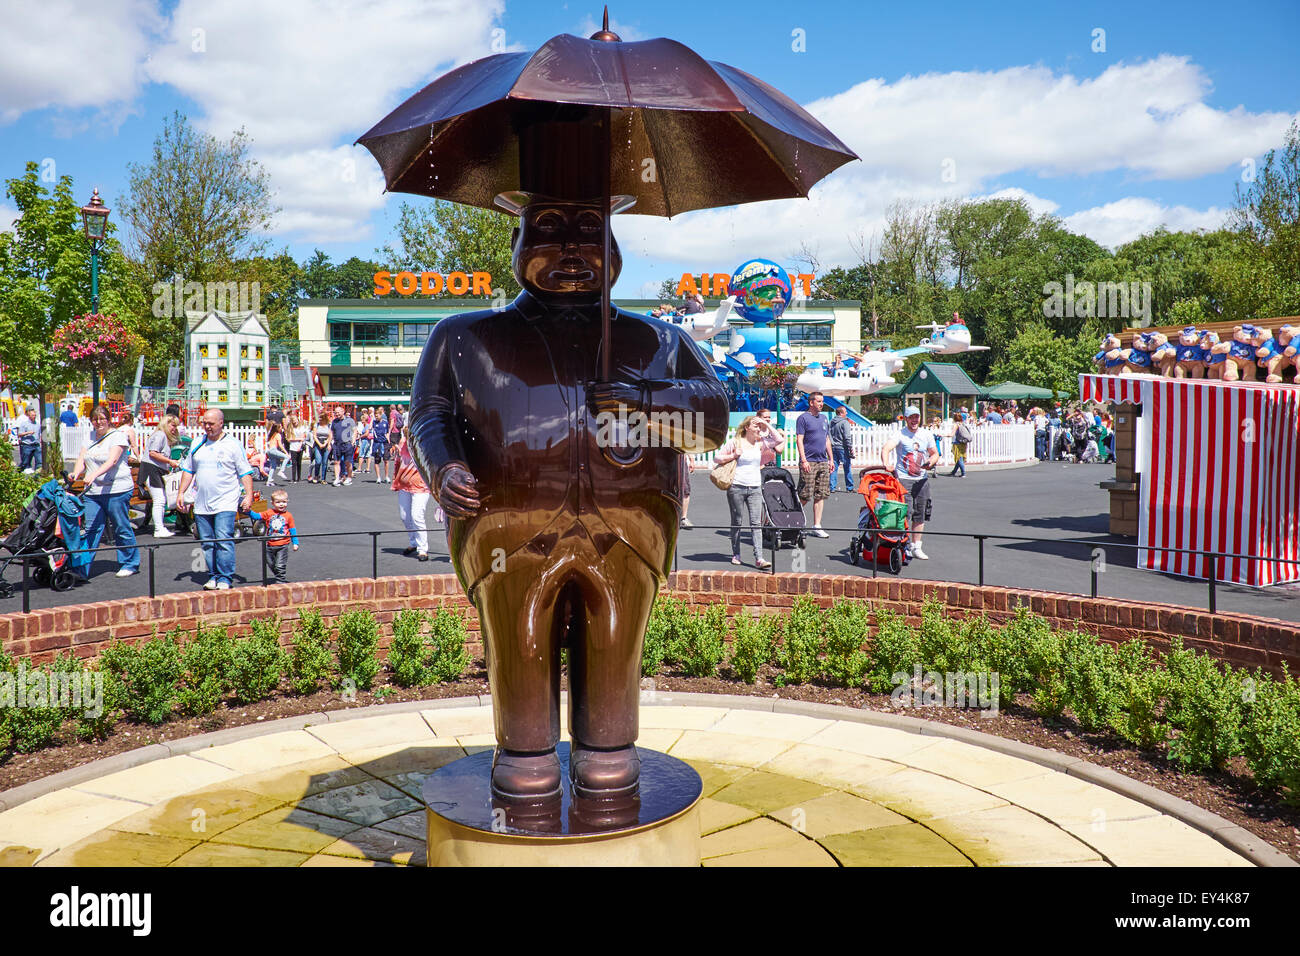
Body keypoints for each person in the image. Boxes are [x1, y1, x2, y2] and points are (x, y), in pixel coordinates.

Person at [409, 168, 728, 802]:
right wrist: (444, 467)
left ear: (613, 246)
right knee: (519, 638)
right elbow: (430, 414)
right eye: (550, 230)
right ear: (519, 241)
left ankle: (607, 746)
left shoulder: (659, 341)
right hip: (509, 526)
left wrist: (643, 397)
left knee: (615, 637)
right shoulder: (466, 336)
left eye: (591, 230)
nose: (574, 250)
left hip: (629, 527)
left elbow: (711, 420)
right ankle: (524, 752)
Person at [177, 408, 255, 591]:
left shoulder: (233, 445)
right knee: (206, 542)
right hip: (202, 502)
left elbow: (245, 472)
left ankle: (225, 577)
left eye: (211, 423)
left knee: (223, 540)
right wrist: (181, 492)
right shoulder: (198, 443)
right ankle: (213, 575)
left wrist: (249, 495)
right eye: (204, 423)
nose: (207, 427)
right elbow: (189, 470)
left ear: (221, 423)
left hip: (225, 501)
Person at [70, 404, 139, 578]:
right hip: (94, 493)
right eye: (95, 419)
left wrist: (94, 474)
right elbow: (82, 459)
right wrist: (75, 472)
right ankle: (82, 568)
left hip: (117, 489)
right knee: (91, 528)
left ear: (109, 420)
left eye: (102, 418)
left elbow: (112, 461)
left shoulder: (118, 437)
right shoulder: (90, 437)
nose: (99, 422)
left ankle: (129, 562)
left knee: (121, 527)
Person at [712, 415, 774, 568]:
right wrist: (733, 455)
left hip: (755, 487)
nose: (758, 428)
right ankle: (736, 553)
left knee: (756, 523)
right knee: (737, 522)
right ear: (747, 427)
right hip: (737, 487)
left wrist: (766, 423)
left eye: (759, 426)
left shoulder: (760, 444)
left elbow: (779, 441)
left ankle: (759, 558)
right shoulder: (735, 442)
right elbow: (716, 458)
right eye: (755, 425)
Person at [883, 405, 939, 560]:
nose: (914, 420)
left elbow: (935, 453)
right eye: (911, 417)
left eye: (917, 417)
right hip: (904, 479)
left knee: (920, 512)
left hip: (921, 479)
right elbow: (886, 449)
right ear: (906, 419)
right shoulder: (900, 434)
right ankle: (904, 544)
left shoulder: (926, 434)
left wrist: (931, 462)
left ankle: (916, 546)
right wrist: (887, 464)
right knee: (905, 513)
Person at [392, 425, 432, 561]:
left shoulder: (424, 445)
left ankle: (423, 549)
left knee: (417, 516)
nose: (406, 435)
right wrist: (395, 480)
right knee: (404, 516)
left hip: (421, 486)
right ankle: (413, 542)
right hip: (404, 485)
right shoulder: (403, 443)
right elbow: (398, 462)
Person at [795, 391, 832, 537]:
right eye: (819, 401)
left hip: (822, 461)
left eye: (822, 401)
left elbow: (826, 439)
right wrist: (803, 460)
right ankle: (794, 520)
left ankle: (817, 526)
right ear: (811, 402)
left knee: (820, 495)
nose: (821, 404)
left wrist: (831, 459)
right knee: (805, 495)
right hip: (809, 461)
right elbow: (799, 439)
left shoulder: (824, 418)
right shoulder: (803, 418)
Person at [140, 413, 181, 537]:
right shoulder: (160, 435)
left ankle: (160, 527)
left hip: (154, 470)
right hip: (151, 470)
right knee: (159, 500)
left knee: (161, 500)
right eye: (173, 425)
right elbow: (153, 453)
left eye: (176, 426)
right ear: (166, 424)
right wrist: (170, 461)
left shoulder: (160, 435)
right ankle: (158, 529)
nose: (175, 428)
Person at [262, 489, 299, 584]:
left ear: (287, 502)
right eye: (278, 502)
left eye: (284, 502)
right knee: (270, 563)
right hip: (270, 544)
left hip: (283, 545)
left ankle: (280, 581)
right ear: (273, 503)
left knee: (280, 565)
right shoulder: (269, 513)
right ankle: (279, 575)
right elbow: (257, 516)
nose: (281, 504)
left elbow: (292, 530)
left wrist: (295, 543)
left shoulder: (288, 515)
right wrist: (248, 512)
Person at [827, 405, 854, 493]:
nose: (846, 413)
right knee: (847, 467)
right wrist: (850, 446)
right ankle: (849, 487)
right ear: (841, 413)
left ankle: (832, 487)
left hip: (833, 447)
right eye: (845, 412)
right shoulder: (845, 422)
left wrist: (831, 443)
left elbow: (828, 434)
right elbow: (847, 436)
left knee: (833, 467)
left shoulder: (831, 422)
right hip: (843, 447)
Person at [331, 405, 356, 486]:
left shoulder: (349, 420)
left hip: (347, 444)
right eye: (335, 412)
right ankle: (337, 478)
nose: (337, 414)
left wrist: (353, 441)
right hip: (337, 444)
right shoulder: (334, 421)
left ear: (343, 412)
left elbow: (355, 430)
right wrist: (330, 442)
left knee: (348, 462)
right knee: (336, 462)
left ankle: (349, 477)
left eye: (338, 412)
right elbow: (331, 432)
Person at [15, 405, 41, 474]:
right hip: (27, 445)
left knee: (39, 461)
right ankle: (19, 470)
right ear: (29, 415)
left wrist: (40, 441)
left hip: (36, 445)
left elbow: (39, 434)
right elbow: (19, 434)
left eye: (35, 415)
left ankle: (38, 474)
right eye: (32, 415)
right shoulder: (24, 424)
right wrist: (28, 433)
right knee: (25, 462)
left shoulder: (37, 424)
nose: (34, 417)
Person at [263, 420, 289, 486]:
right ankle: (281, 471)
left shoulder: (271, 435)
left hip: (269, 451)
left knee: (273, 466)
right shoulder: (278, 435)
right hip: (273, 450)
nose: (281, 428)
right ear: (278, 428)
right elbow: (280, 445)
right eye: (280, 427)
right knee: (287, 457)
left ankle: (269, 480)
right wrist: (286, 452)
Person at [371, 405, 391, 483]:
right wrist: (372, 418)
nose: (376, 417)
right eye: (375, 416)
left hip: (384, 443)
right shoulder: (373, 422)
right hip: (377, 443)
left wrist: (389, 441)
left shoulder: (385, 423)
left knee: (386, 460)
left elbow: (387, 432)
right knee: (377, 461)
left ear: (381, 415)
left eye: (378, 415)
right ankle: (378, 477)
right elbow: (370, 428)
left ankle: (386, 476)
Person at [310, 412, 332, 483]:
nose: (319, 420)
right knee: (318, 461)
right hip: (318, 443)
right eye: (319, 418)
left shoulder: (329, 425)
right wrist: (319, 444)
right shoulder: (316, 425)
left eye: (321, 419)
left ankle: (323, 478)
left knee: (325, 462)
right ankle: (316, 475)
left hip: (326, 443)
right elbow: (314, 435)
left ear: (325, 419)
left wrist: (327, 444)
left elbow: (330, 436)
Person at [949, 412, 971, 478]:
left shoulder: (956, 425)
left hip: (957, 443)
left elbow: (952, 434)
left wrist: (942, 435)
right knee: (960, 457)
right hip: (963, 443)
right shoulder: (963, 424)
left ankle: (963, 473)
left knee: (959, 458)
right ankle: (953, 472)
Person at [287, 413, 307, 482]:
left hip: (299, 447)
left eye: (296, 420)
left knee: (299, 463)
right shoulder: (290, 428)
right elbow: (289, 439)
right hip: (292, 447)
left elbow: (302, 438)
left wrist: (299, 445)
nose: (295, 422)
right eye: (294, 421)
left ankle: (299, 477)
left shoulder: (301, 427)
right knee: (294, 463)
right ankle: (293, 478)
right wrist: (297, 439)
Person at [679, 453, 694, 529]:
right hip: (665, 461)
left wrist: (691, 460)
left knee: (686, 490)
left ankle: (683, 518)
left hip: (680, 461)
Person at [357, 409, 373, 475]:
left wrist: (360, 437)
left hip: (365, 441)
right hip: (368, 441)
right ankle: (367, 468)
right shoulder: (369, 425)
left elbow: (366, 434)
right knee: (368, 454)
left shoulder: (366, 426)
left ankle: (359, 468)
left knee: (361, 454)